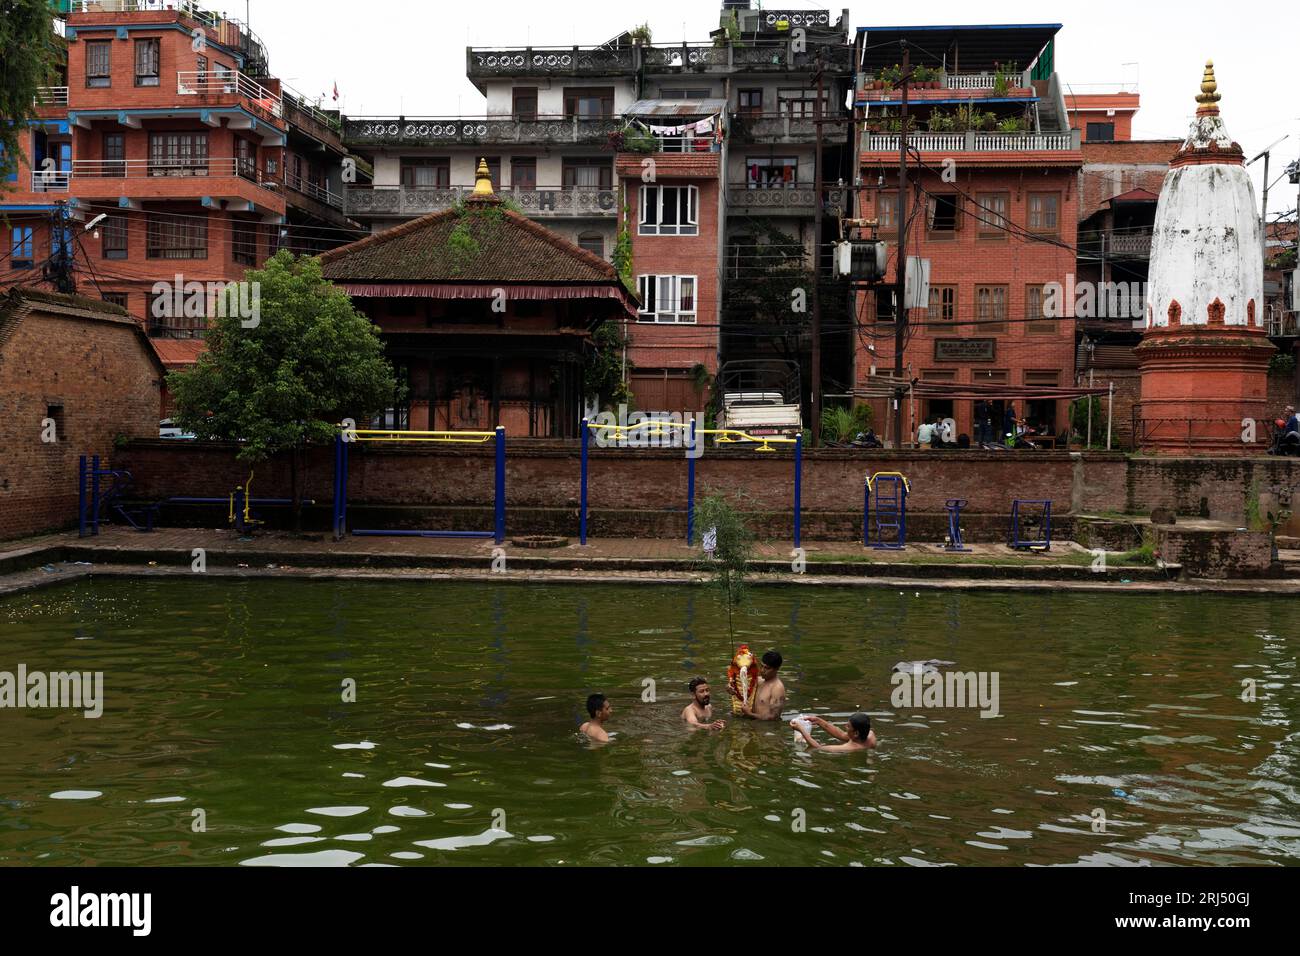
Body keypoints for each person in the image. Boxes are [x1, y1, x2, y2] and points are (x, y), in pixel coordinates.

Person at [790, 712, 877, 752]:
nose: (845, 726)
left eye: (848, 726)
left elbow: (818, 747)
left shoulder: (848, 748)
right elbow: (842, 735)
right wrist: (818, 721)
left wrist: (801, 729)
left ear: (856, 733)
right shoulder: (870, 735)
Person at [738, 650, 786, 721]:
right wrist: (731, 689)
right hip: (750, 724)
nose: (762, 670)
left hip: (765, 730)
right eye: (762, 666)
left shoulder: (777, 688)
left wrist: (749, 714)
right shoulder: (758, 681)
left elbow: (774, 718)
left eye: (767, 668)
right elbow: (740, 689)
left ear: (777, 669)